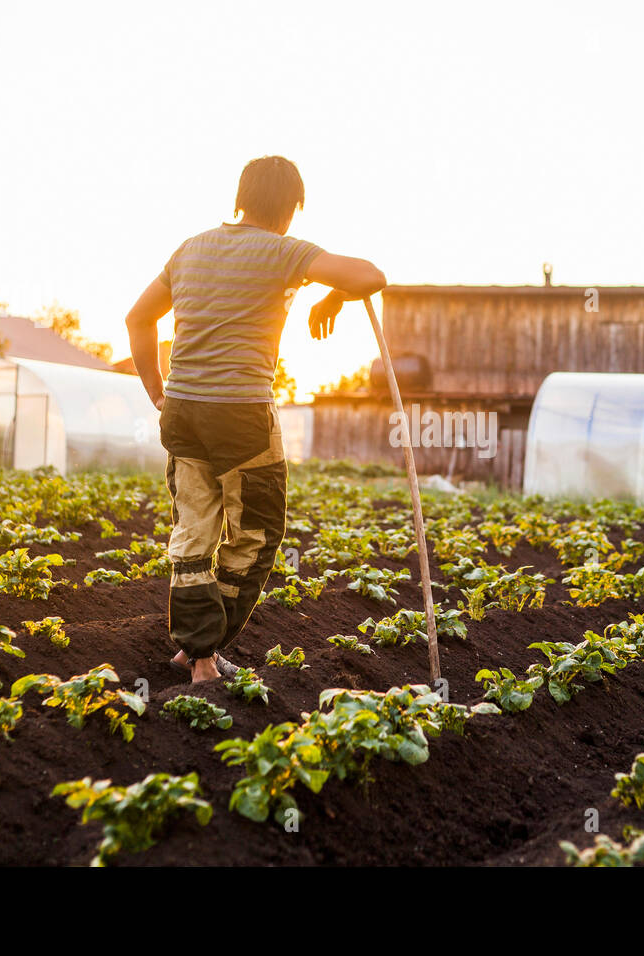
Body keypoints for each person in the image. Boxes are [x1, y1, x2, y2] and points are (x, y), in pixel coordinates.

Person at [124, 155, 386, 683]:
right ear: (291, 209)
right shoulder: (283, 249)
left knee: (193, 531)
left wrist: (158, 389)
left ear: (241, 197)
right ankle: (205, 660)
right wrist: (333, 297)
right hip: (241, 414)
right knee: (255, 535)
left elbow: (137, 317)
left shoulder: (190, 248)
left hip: (182, 411)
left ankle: (192, 653)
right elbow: (369, 276)